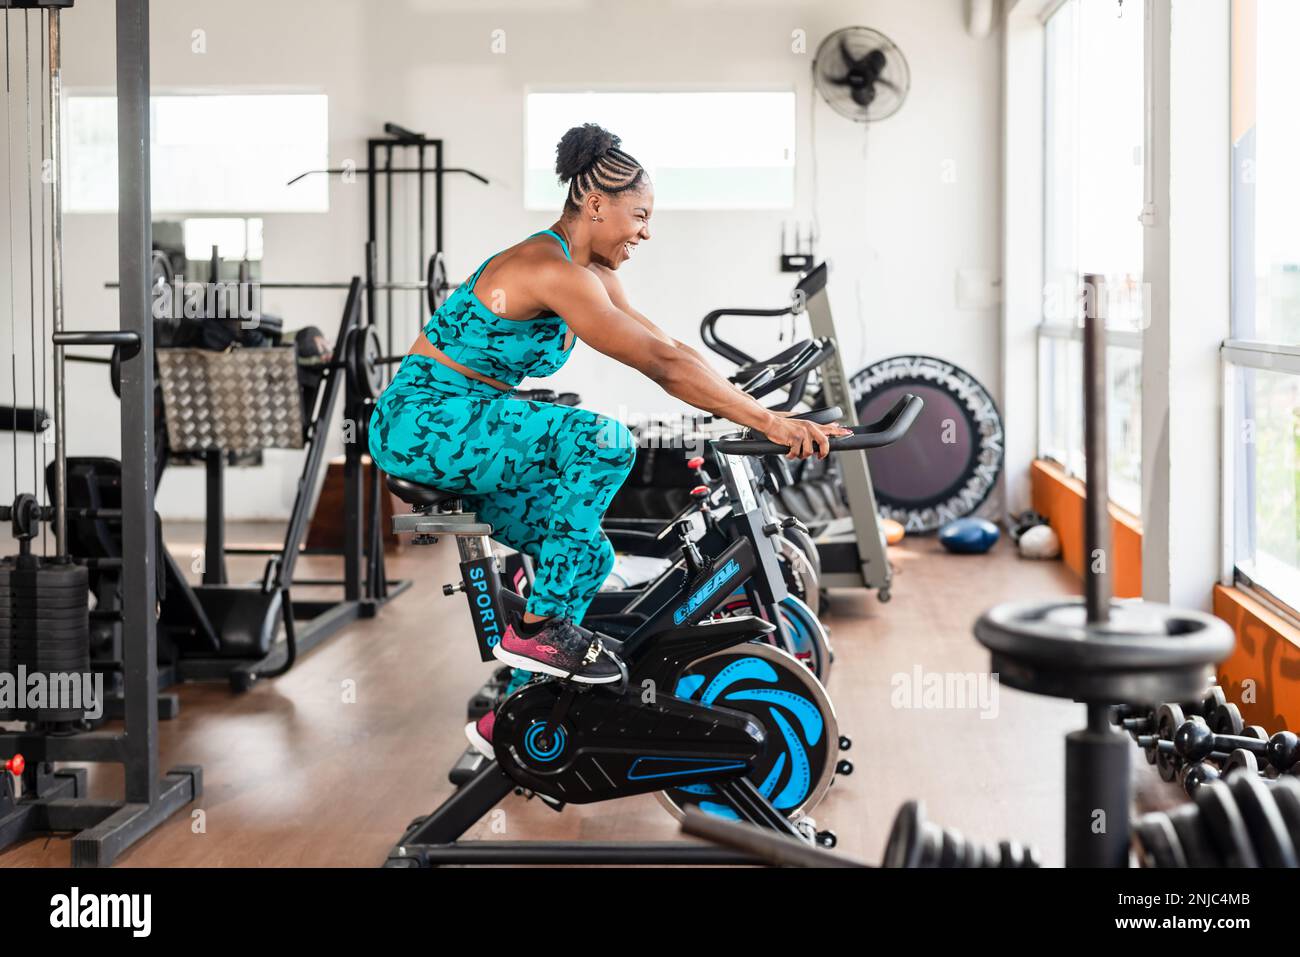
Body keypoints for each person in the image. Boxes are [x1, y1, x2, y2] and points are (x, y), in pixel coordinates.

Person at [368, 123, 848, 754]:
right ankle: (538, 630)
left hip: (469, 420)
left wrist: (750, 406)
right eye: (639, 215)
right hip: (422, 422)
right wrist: (768, 423)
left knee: (587, 557)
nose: (645, 232)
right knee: (604, 441)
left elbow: (670, 348)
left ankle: (512, 719)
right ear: (595, 205)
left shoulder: (591, 273)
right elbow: (660, 367)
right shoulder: (547, 268)